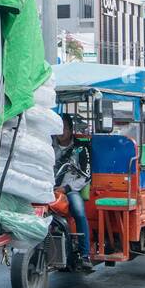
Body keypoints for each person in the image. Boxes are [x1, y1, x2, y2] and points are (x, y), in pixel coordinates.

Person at [53, 114, 94, 272]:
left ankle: (85, 255)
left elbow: (86, 176)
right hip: (49, 188)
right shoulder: (49, 147)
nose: (61, 131)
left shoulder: (81, 149)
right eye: (58, 128)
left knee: (78, 211)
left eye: (64, 128)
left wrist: (66, 189)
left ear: (70, 130)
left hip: (70, 190)